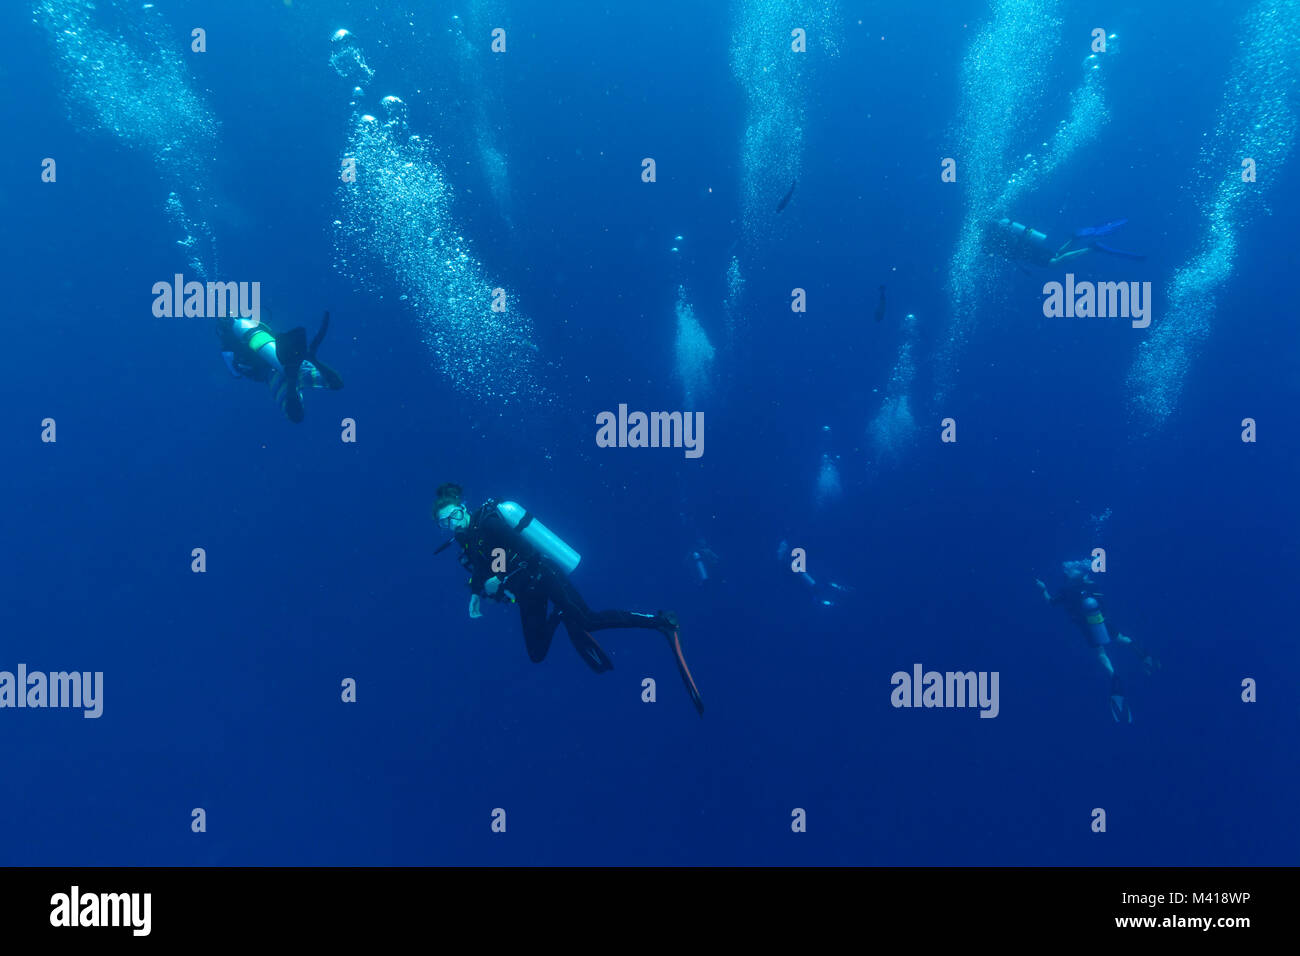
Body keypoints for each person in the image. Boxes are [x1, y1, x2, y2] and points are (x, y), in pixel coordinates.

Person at [433, 483, 704, 715]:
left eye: (454, 515)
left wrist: (500, 579)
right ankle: (562, 614)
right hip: (526, 592)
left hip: (543, 576)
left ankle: (660, 622)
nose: (453, 524)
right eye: (445, 522)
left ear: (463, 507)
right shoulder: (465, 538)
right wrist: (474, 595)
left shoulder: (489, 522)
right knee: (537, 653)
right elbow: (484, 565)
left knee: (589, 619)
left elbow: (525, 551)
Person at [1036, 559, 1159, 722]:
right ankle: (1145, 657)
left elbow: (1051, 602)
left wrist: (1043, 589)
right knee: (1122, 638)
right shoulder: (1092, 585)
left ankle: (1115, 678)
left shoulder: (1065, 590)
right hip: (1102, 621)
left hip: (1087, 628)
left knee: (1101, 654)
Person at [217, 310, 343, 422]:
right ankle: (308, 363)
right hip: (288, 359)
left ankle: (292, 379)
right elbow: (338, 384)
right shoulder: (252, 324)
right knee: (335, 384)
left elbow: (236, 374)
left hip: (270, 373)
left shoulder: (226, 347)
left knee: (295, 416)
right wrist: (311, 359)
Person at [986, 217, 1145, 268]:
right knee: (1056, 254)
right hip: (1029, 245)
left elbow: (992, 252)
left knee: (1054, 263)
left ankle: (1091, 248)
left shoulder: (990, 240)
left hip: (1026, 252)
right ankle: (1075, 238)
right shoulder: (1000, 231)